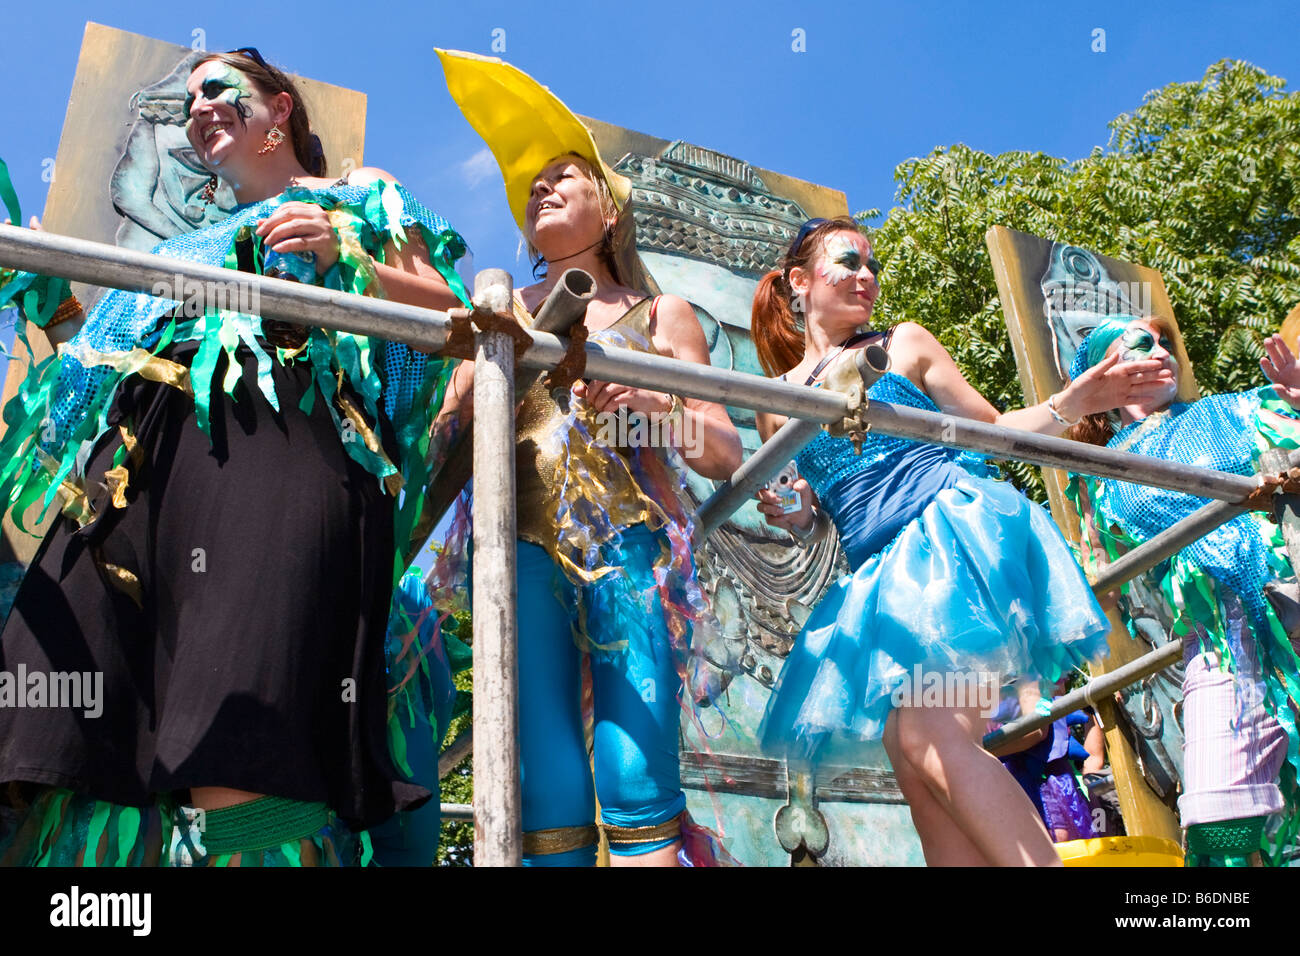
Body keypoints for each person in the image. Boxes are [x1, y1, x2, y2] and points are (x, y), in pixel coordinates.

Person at [0, 49, 469, 866]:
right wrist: (48, 294)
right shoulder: (187, 247)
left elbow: (453, 316)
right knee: (61, 715)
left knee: (233, 723)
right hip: (134, 468)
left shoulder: (356, 194)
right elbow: (102, 368)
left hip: (275, 439)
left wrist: (343, 257)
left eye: (219, 90)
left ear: (280, 108)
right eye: (188, 103)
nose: (200, 109)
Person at [750, 217, 1171, 865]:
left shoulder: (905, 342)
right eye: (848, 262)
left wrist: (1074, 400)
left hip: (945, 542)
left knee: (927, 732)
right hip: (877, 579)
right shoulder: (773, 401)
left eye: (872, 265)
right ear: (799, 283)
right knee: (910, 760)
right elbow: (818, 514)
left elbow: (998, 427)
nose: (867, 276)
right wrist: (797, 514)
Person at [437, 50, 742, 866]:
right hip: (516, 557)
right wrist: (463, 383)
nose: (541, 188)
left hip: (631, 545)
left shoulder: (660, 312)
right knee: (542, 774)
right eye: (532, 186)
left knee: (636, 756)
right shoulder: (492, 308)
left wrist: (654, 408)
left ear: (609, 209)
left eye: (563, 177)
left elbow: (722, 449)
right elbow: (444, 445)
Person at [1066, 314, 1300, 866]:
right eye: (1141, 346)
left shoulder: (1237, 407)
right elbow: (1098, 572)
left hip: (1287, 603)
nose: (1163, 352)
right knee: (1217, 823)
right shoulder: (1098, 471)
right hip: (1214, 641)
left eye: (1164, 343)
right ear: (1105, 372)